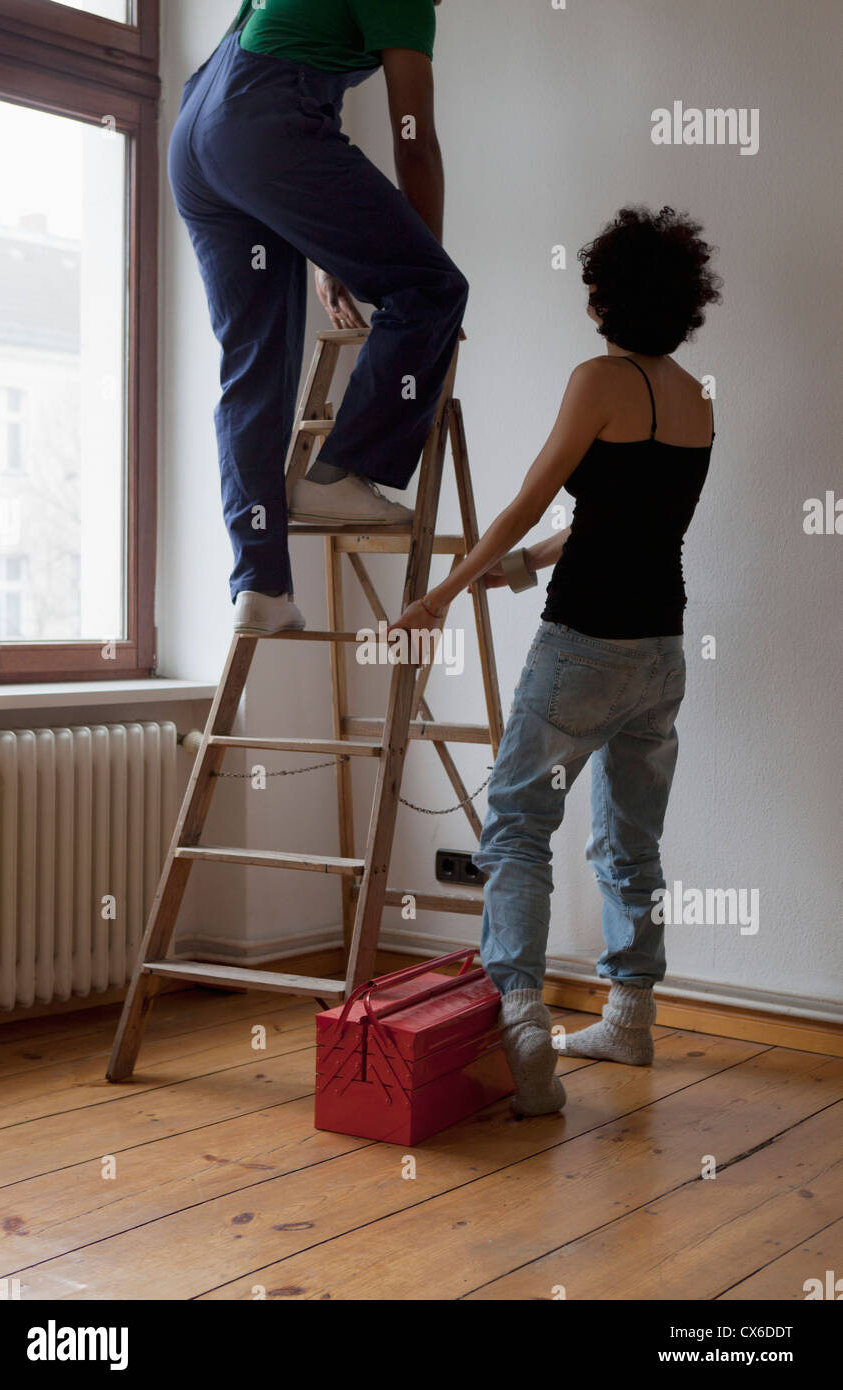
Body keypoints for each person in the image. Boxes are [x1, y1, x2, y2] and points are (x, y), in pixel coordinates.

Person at [391, 206, 722, 1115]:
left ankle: (525, 1023)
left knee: (516, 825)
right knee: (631, 840)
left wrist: (442, 594)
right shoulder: (697, 396)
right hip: (659, 652)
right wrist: (527, 569)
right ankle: (630, 1016)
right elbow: (619, 520)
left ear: (608, 296)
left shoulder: (596, 379)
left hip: (583, 647)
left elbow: (525, 503)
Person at [168, 1, 467, 635]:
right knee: (434, 288)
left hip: (199, 136)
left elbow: (286, 82)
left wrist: (332, 254)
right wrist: (418, 268)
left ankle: (261, 585)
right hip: (261, 125)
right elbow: (415, 141)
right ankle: (337, 472)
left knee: (254, 364)